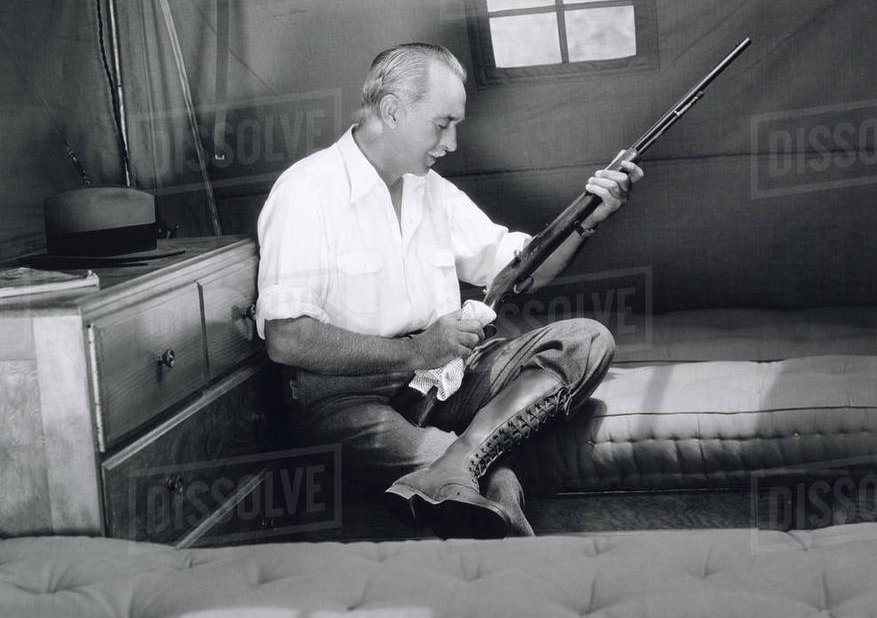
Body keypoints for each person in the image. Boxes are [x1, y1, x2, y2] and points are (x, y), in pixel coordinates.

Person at [256, 43, 642, 539]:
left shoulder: (432, 190)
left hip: (444, 379)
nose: (452, 143)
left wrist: (589, 218)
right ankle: (482, 489)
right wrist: (418, 350)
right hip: (348, 400)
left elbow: (522, 269)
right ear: (393, 110)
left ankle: (463, 455)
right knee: (493, 483)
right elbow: (286, 339)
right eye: (442, 124)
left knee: (585, 340)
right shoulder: (306, 192)